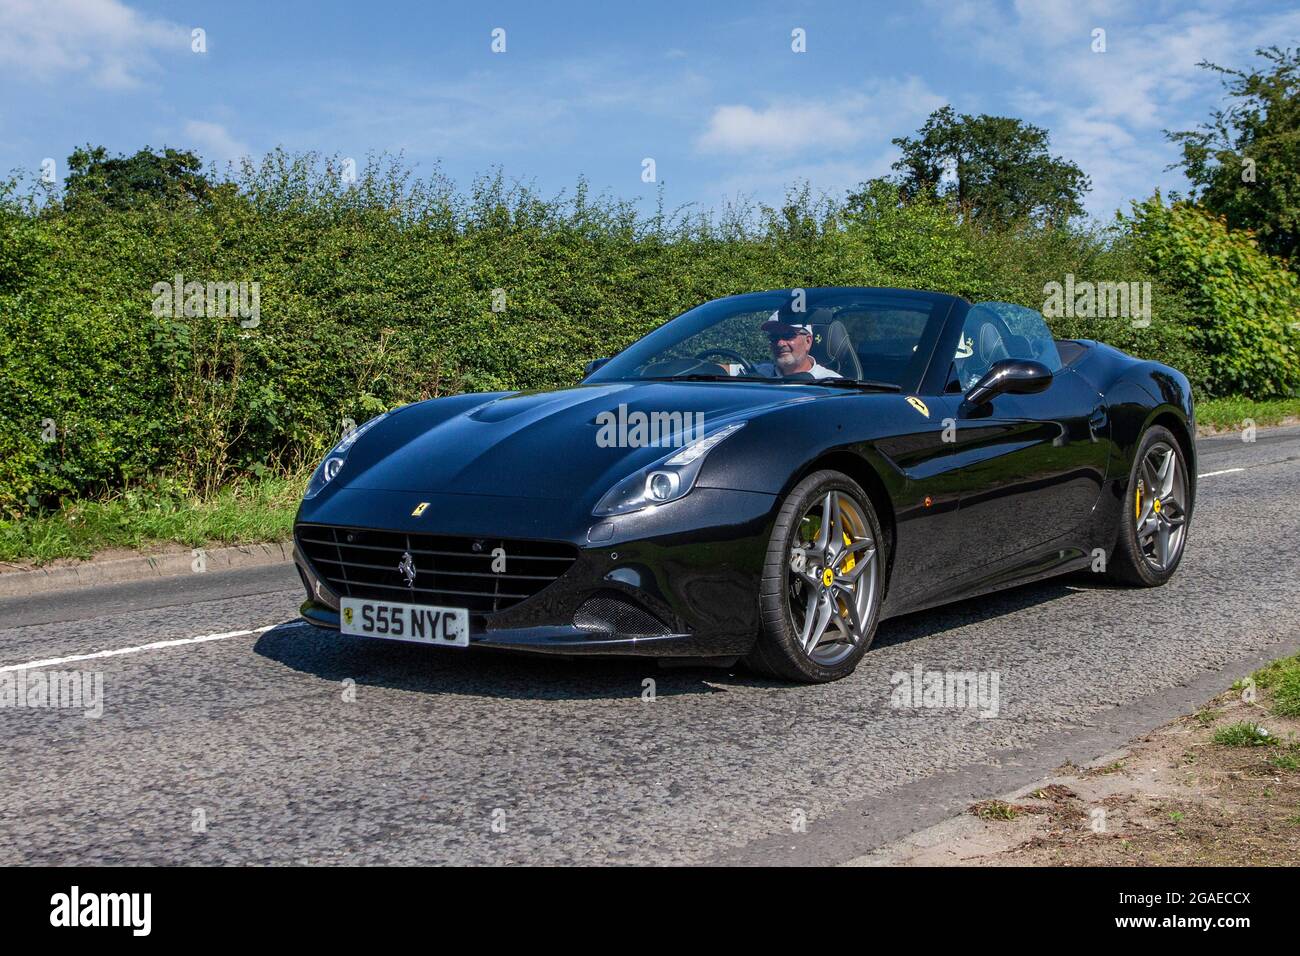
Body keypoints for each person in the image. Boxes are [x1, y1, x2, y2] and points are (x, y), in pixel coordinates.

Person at [753, 315, 842, 379]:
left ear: (808, 341)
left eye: (788, 335)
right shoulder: (756, 375)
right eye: (773, 337)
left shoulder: (831, 384)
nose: (780, 343)